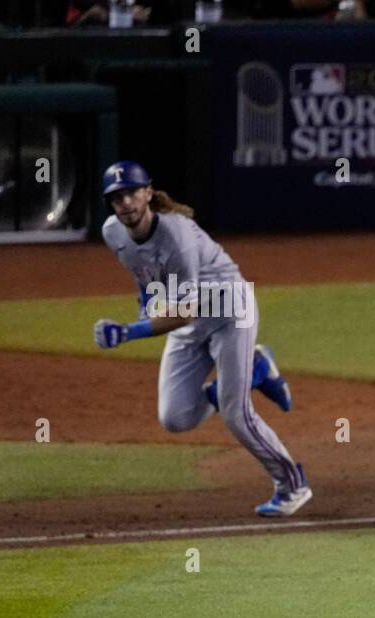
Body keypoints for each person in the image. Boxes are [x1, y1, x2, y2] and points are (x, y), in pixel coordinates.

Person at [93, 160, 312, 517]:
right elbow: (147, 280)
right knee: (175, 417)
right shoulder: (113, 233)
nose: (126, 203)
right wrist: (143, 309)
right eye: (117, 198)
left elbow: (183, 311)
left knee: (237, 414)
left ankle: (292, 483)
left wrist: (128, 332)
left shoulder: (176, 236)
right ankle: (254, 371)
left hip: (229, 312)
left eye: (132, 193)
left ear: (148, 192)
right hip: (189, 319)